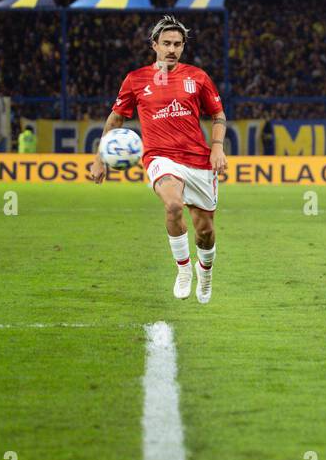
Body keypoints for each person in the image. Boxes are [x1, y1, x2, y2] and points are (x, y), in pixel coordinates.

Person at [89, 15, 228, 303]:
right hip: (160, 157)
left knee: (205, 232)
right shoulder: (136, 79)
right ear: (154, 45)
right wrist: (100, 158)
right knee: (173, 203)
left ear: (183, 47)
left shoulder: (198, 77)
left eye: (177, 44)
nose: (172, 49)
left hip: (198, 160)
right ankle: (183, 270)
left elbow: (218, 115)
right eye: (166, 43)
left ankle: (206, 273)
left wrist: (217, 148)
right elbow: (115, 118)